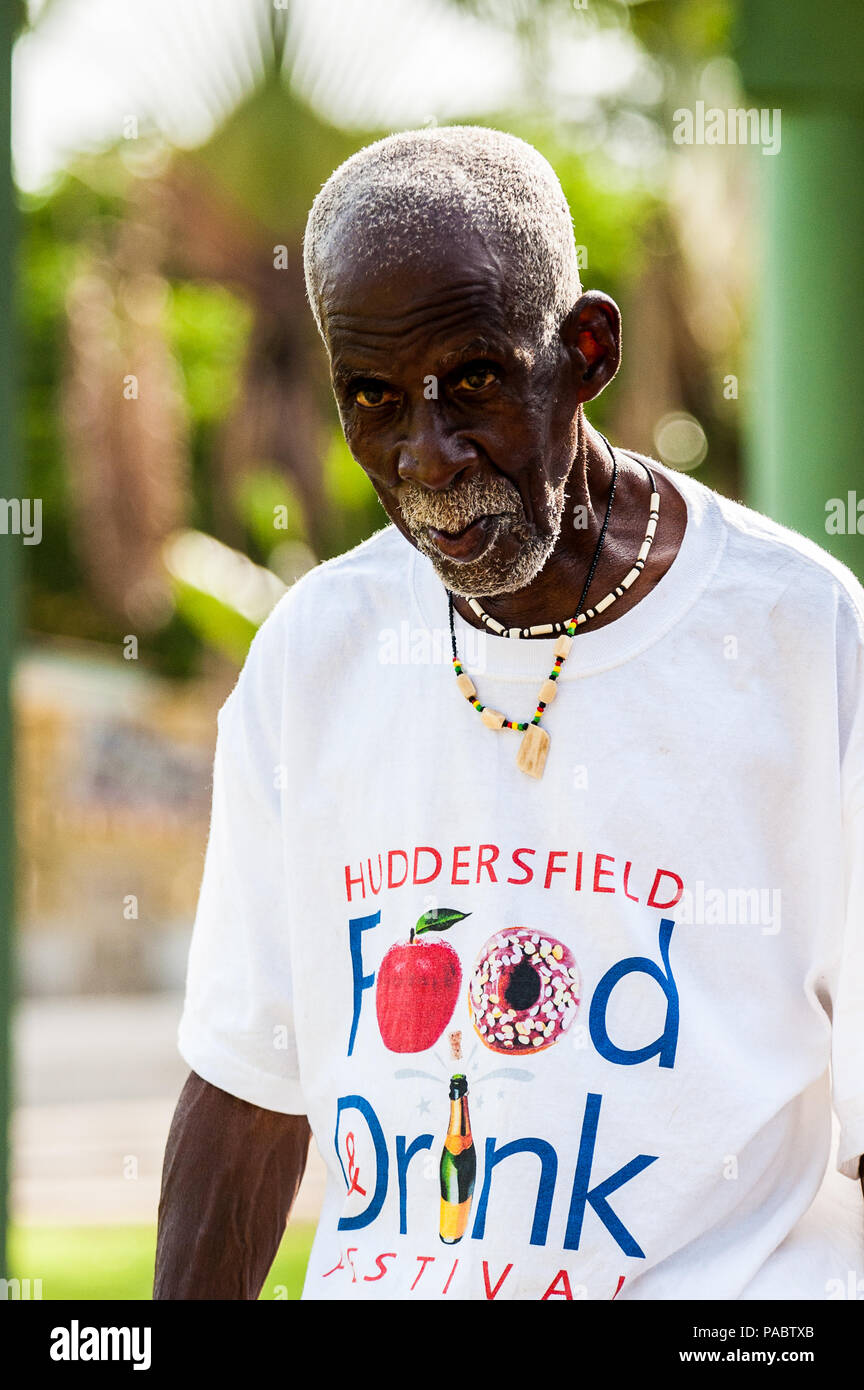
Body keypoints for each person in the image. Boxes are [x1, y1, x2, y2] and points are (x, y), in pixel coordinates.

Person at [154, 126, 864, 1302]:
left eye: (473, 380)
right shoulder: (313, 655)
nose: (426, 458)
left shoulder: (804, 640)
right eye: (374, 399)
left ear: (586, 351)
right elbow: (246, 1086)